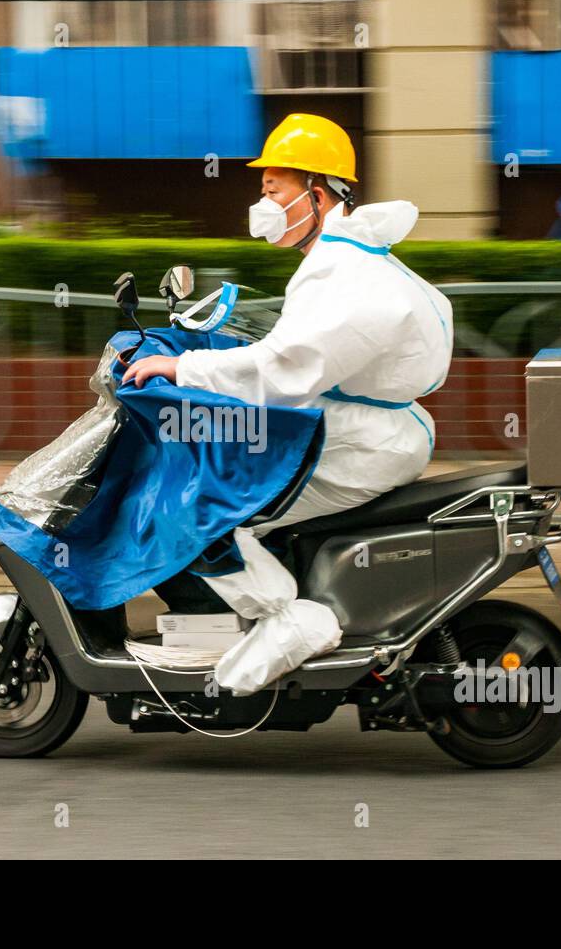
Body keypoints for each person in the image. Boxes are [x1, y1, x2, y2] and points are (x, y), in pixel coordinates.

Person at [121, 113, 454, 693]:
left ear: (317, 195)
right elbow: (301, 350)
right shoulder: (345, 259)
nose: (263, 202)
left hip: (357, 441)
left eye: (272, 189)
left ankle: (289, 620)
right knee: (217, 475)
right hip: (364, 427)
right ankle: (244, 621)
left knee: (201, 502)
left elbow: (285, 370)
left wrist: (182, 365)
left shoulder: (341, 271)